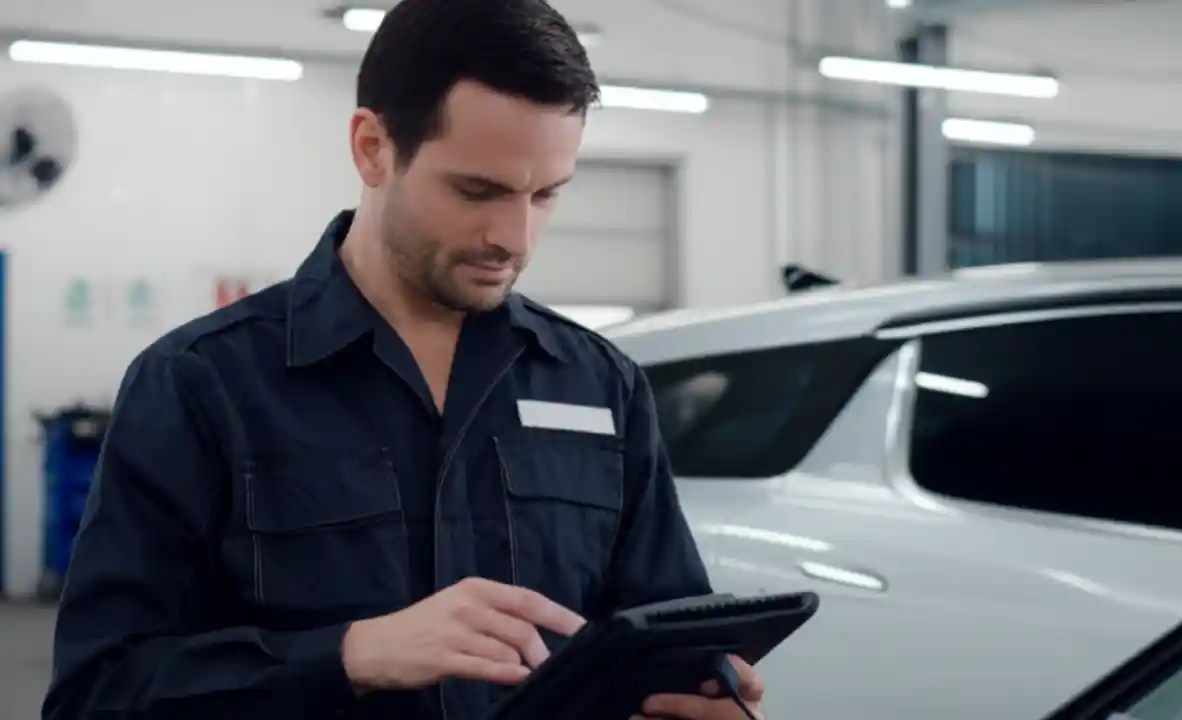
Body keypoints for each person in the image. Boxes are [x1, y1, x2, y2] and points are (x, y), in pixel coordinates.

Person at [41, 0, 766, 718]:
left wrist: (700, 697)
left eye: (546, 194)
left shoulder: (601, 385)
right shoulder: (202, 386)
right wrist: (355, 656)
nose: (514, 236)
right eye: (476, 190)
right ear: (372, 147)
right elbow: (97, 693)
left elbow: (660, 641)